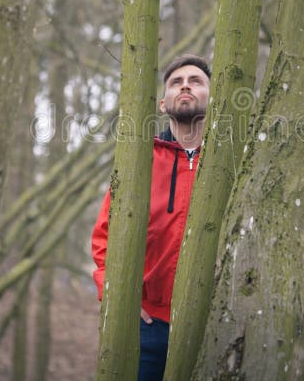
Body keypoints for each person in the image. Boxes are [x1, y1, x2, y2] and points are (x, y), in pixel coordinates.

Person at [91, 54, 211, 381]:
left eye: (196, 81)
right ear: (162, 103)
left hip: (212, 326)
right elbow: (104, 239)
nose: (185, 85)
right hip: (145, 326)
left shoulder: (230, 164)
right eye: (177, 82)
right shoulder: (139, 161)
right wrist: (116, 296)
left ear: (214, 99)